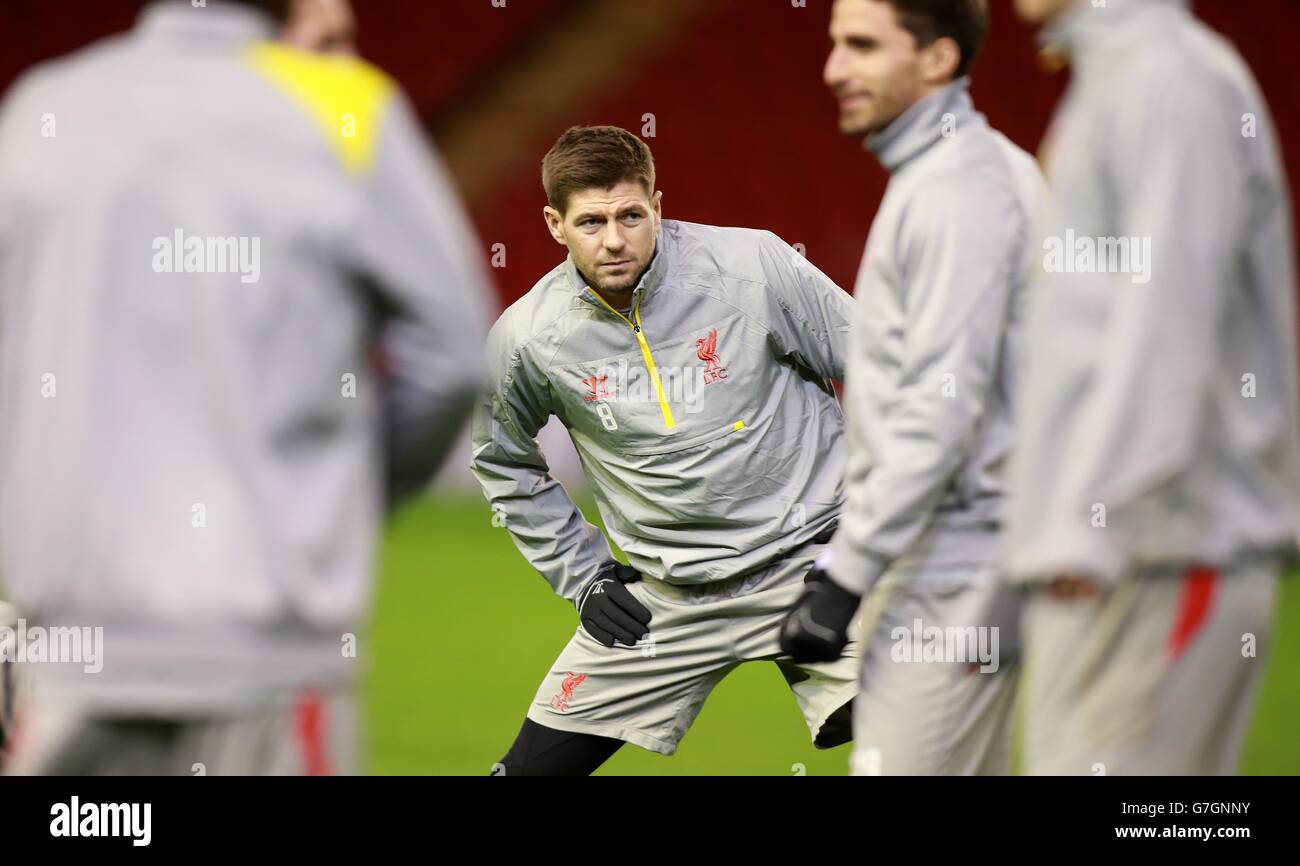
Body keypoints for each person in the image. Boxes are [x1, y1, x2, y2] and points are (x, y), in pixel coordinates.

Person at [0, 0, 491, 774]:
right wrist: (339, 496)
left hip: (68, 650)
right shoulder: (343, 108)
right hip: (263, 655)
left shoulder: (43, 110)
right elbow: (455, 354)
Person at [472, 125, 859, 775]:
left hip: (819, 566)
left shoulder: (753, 268)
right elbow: (503, 461)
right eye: (591, 222)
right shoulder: (530, 337)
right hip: (667, 597)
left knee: (926, 745)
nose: (615, 238)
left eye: (631, 214)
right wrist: (586, 574)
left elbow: (884, 369)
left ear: (659, 204)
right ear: (553, 224)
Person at [1005, 0, 1300, 774]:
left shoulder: (1171, 79)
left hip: (1163, 548)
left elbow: (1171, 318)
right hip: (1120, 554)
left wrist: (1092, 519)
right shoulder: (1120, 75)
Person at [780, 0, 1045, 775]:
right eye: (833, 44)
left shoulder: (954, 190)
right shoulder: (984, 165)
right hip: (973, 557)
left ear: (937, 60)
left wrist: (843, 576)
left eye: (861, 45)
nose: (834, 69)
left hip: (953, 568)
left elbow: (940, 409)